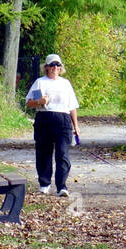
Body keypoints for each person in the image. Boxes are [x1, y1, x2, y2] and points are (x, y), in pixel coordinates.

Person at [24, 53, 81, 197]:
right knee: (44, 153)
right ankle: (44, 183)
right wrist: (39, 102)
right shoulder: (40, 82)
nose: (55, 68)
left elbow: (72, 106)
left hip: (63, 120)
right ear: (47, 67)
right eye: (52, 65)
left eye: (58, 65)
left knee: (62, 154)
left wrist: (76, 126)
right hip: (44, 118)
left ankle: (62, 186)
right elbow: (28, 102)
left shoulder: (65, 83)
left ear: (61, 68)